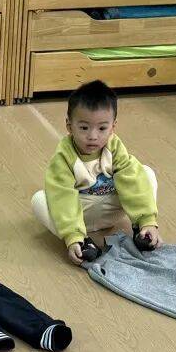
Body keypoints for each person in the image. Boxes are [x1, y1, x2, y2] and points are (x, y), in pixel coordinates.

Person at [31, 80, 160, 265]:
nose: (92, 136)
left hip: (112, 208)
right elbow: (63, 196)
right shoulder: (64, 156)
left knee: (145, 172)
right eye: (84, 128)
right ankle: (82, 242)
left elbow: (131, 179)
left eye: (102, 128)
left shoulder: (114, 146)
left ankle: (142, 228)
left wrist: (147, 219)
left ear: (113, 127)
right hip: (82, 212)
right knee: (40, 200)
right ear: (69, 126)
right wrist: (73, 235)